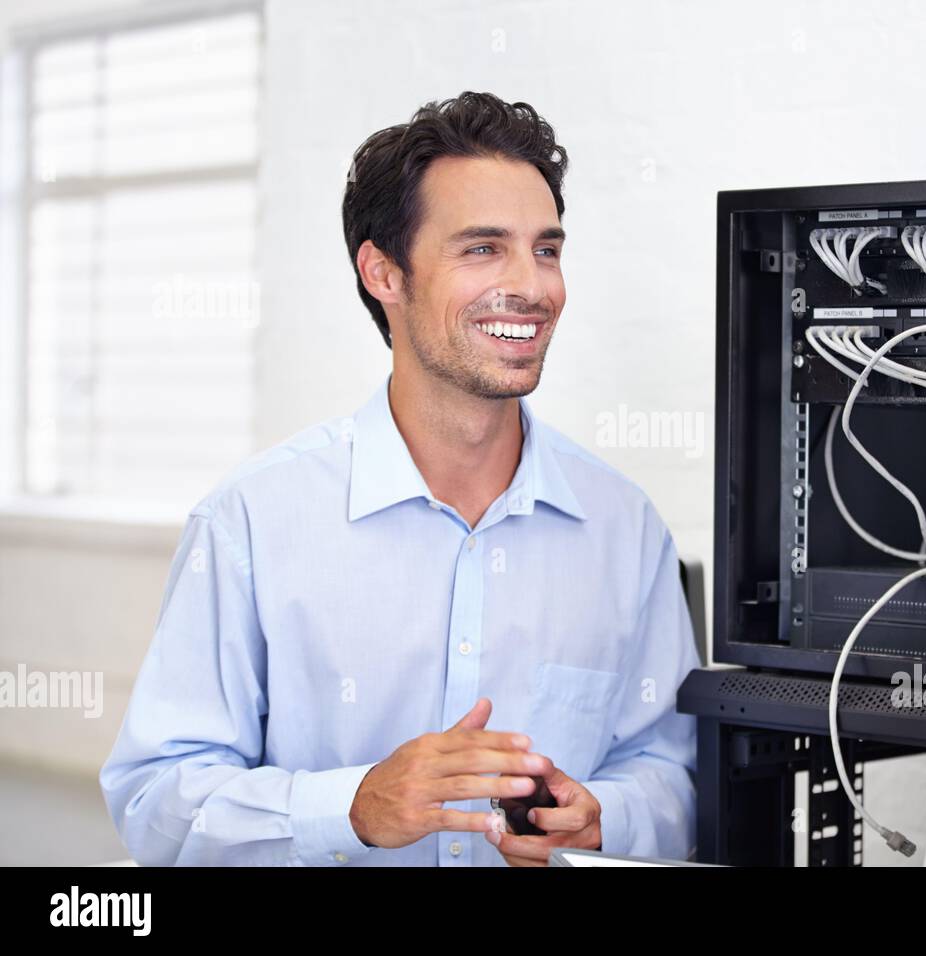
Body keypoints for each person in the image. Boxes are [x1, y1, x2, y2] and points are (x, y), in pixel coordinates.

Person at [101, 92, 699, 866]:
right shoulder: (251, 522)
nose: (533, 286)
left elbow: (674, 772)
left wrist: (606, 817)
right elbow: (157, 801)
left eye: (545, 249)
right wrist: (348, 807)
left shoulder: (624, 527)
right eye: (483, 249)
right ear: (383, 271)